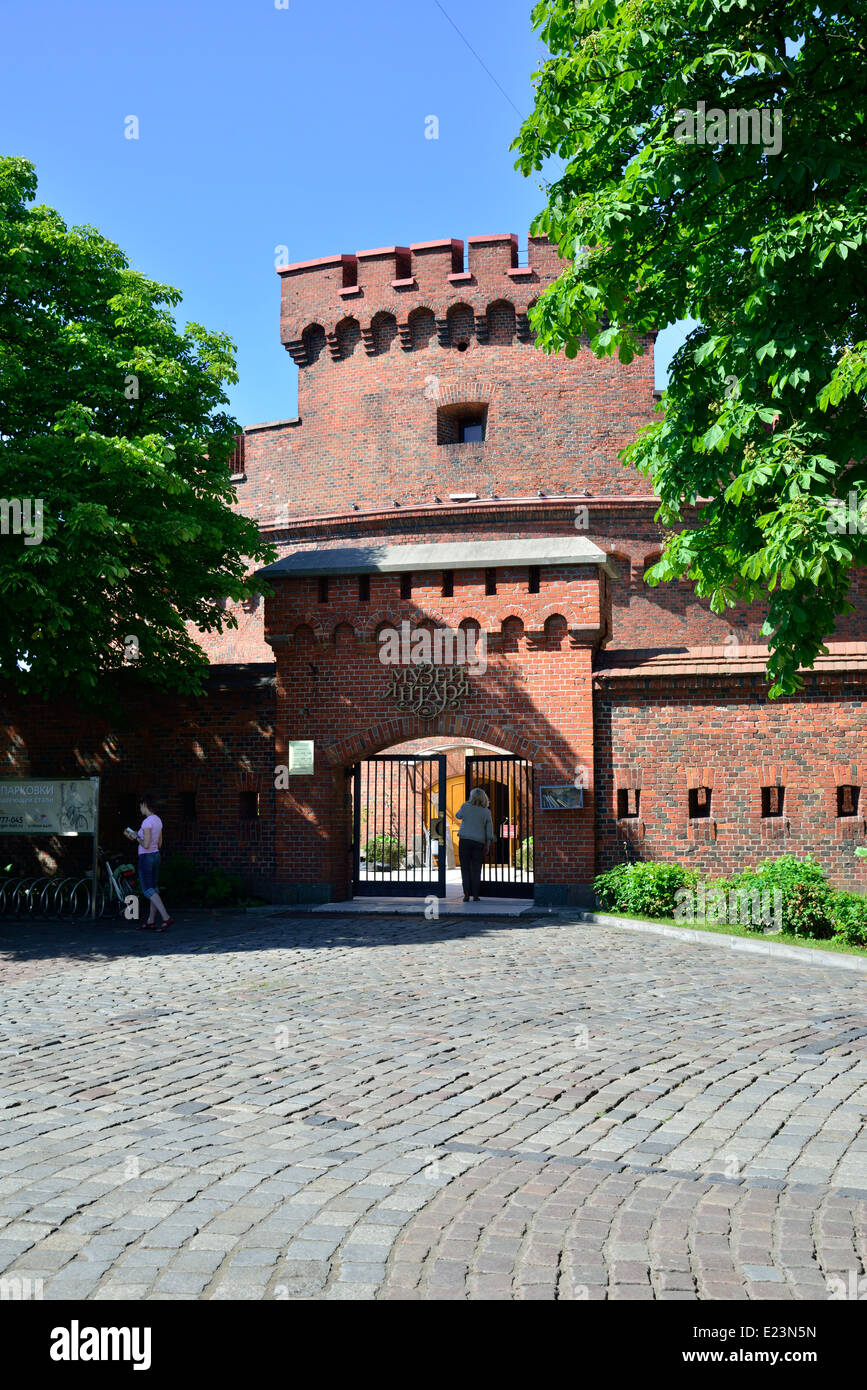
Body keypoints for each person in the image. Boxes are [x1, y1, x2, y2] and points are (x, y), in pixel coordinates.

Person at [124, 792, 172, 931]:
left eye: (141, 806)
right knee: (154, 888)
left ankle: (166, 917)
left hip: (146, 857)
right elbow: (159, 843)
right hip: (156, 855)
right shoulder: (158, 820)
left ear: (145, 805)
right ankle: (151, 920)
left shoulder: (146, 822)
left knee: (148, 889)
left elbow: (145, 844)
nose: (140, 809)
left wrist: (135, 836)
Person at [455, 786, 494, 902]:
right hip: (479, 843)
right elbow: (489, 830)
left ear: (471, 797)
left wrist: (466, 804)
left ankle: (466, 894)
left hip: (465, 841)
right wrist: (488, 844)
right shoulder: (486, 812)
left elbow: (458, 815)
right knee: (477, 869)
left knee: (465, 869)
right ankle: (476, 895)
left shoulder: (465, 806)